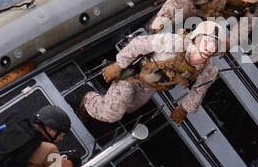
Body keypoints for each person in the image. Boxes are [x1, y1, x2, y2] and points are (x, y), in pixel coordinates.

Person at [81, 20, 224, 125]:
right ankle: (88, 100)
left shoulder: (208, 70)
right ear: (196, 38)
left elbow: (199, 91)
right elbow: (139, 44)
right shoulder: (173, 42)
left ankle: (104, 103)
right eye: (207, 40)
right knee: (112, 114)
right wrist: (119, 64)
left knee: (129, 109)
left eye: (215, 44)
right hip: (132, 74)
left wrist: (184, 109)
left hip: (150, 87)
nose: (210, 47)